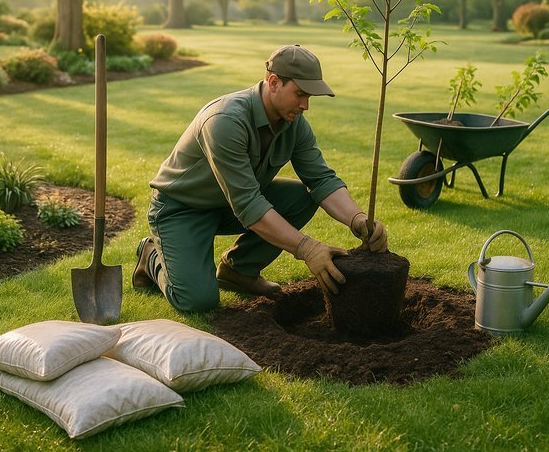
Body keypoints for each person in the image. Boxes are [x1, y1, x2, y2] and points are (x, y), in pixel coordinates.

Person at [132, 44, 388, 312]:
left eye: (309, 96)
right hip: (182, 209)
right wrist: (307, 248)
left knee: (301, 198)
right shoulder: (225, 120)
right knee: (198, 301)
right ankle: (151, 256)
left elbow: (321, 179)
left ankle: (238, 271)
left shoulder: (294, 123)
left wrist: (357, 219)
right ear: (274, 82)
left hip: (228, 204)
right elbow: (248, 204)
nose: (306, 105)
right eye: (300, 94)